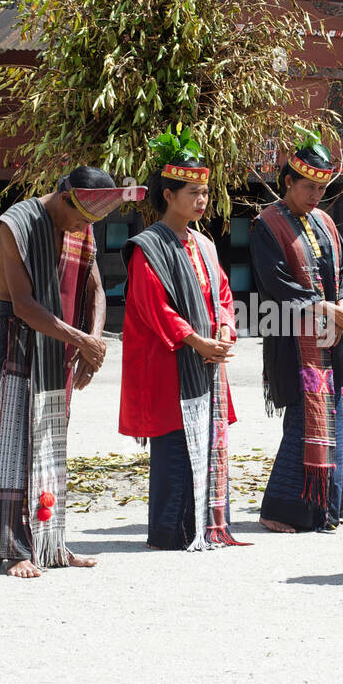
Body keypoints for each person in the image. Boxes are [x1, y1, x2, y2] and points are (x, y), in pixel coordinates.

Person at [0, 167, 120, 576]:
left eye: (89, 223)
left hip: (59, 349)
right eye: (79, 218)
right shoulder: (16, 224)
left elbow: (95, 288)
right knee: (9, 447)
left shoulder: (81, 225)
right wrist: (80, 340)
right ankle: (11, 549)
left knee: (50, 447)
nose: (81, 228)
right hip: (14, 341)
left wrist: (93, 339)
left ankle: (51, 541)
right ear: (63, 195)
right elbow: (21, 302)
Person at [119, 127, 246, 550]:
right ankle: (171, 533)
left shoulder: (205, 245)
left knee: (209, 442)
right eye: (192, 191)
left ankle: (206, 526)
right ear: (168, 195)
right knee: (174, 444)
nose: (202, 199)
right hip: (170, 360)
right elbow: (153, 306)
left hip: (207, 358)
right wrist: (197, 341)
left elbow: (223, 294)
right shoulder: (147, 247)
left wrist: (225, 327)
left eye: (205, 191)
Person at [250, 128, 343, 533]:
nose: (315, 195)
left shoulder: (327, 222)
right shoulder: (267, 224)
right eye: (308, 186)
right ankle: (282, 510)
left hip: (333, 338)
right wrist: (324, 308)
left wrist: (342, 304)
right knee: (303, 419)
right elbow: (275, 283)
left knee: (335, 414)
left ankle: (327, 507)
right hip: (293, 340)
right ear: (288, 182)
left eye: (322, 187)